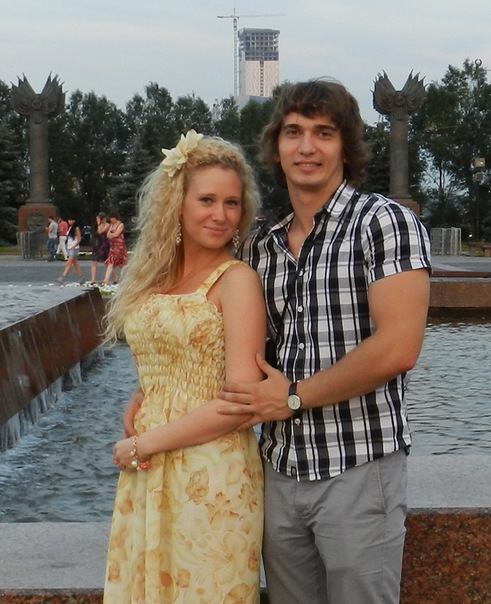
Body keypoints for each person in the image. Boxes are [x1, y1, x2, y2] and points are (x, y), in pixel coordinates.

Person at [211, 79, 431, 604]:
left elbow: (398, 347)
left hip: (357, 466)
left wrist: (293, 397)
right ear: (276, 146)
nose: (306, 147)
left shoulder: (383, 223)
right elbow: (227, 345)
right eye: (293, 132)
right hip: (279, 469)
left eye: (323, 133)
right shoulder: (260, 245)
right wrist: (150, 393)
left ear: (345, 147)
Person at [103, 131, 266, 603]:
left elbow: (240, 402)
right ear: (177, 203)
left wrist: (143, 443)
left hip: (211, 475)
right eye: (207, 200)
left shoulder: (236, 281)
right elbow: (169, 358)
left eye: (232, 203)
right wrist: (144, 393)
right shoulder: (153, 277)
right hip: (149, 465)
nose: (220, 215)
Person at [54, 219, 84, 284]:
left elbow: (79, 238)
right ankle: (81, 277)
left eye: (71, 220)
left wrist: (75, 245)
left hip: (74, 248)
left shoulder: (76, 228)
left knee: (69, 263)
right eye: (69, 220)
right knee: (75, 263)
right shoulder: (70, 228)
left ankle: (62, 278)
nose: (69, 221)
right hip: (69, 247)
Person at [101, 212, 127, 285]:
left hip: (119, 247)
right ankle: (113, 278)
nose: (111, 220)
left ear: (115, 218)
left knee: (118, 263)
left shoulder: (120, 224)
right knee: (109, 263)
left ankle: (107, 280)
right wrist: (111, 235)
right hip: (113, 246)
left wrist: (111, 235)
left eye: (112, 218)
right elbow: (108, 235)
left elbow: (117, 234)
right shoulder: (111, 225)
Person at [88, 212, 110, 284]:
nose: (101, 220)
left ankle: (114, 277)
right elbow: (96, 232)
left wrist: (98, 224)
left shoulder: (107, 225)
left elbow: (100, 231)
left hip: (104, 245)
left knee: (107, 263)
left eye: (102, 218)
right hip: (97, 244)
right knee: (94, 261)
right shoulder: (97, 225)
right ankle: (93, 279)